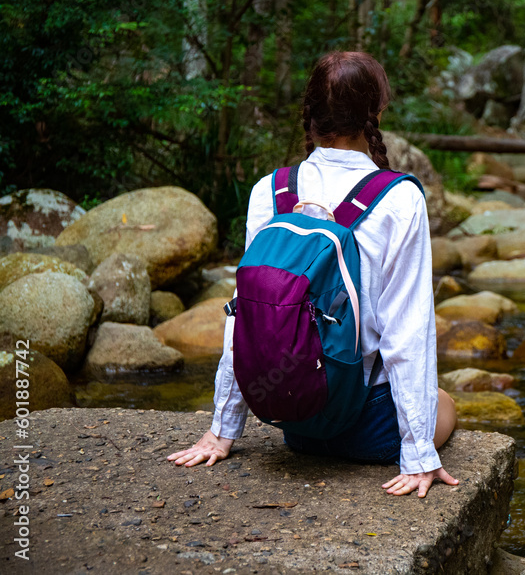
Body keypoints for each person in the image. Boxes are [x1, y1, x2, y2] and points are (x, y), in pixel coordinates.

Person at [167, 51, 458, 499]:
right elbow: (408, 333)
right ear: (375, 113)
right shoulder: (399, 200)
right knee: (445, 403)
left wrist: (222, 430)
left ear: (310, 113)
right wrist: (419, 456)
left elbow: (246, 316)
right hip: (367, 429)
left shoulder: (271, 190)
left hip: (294, 420)